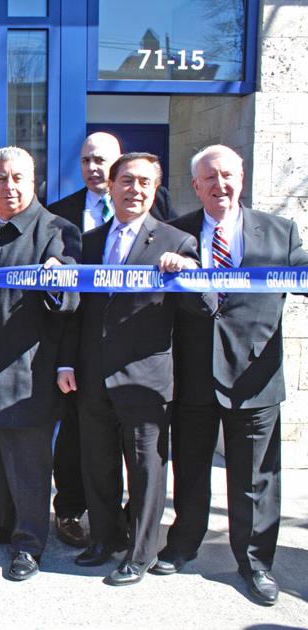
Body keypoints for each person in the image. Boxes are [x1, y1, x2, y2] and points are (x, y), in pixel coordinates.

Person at [155, 145, 308, 606]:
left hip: (254, 375)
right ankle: (183, 545)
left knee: (255, 477)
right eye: (209, 178)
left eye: (227, 175)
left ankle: (256, 562)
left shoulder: (280, 231)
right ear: (195, 186)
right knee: (190, 469)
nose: (219, 185)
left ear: (241, 178)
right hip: (193, 373)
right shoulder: (175, 233)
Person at [56, 152, 216, 587]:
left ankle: (139, 554)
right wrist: (67, 362)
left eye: (145, 182)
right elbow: (76, 311)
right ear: (110, 187)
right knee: (98, 467)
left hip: (145, 380)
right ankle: (104, 540)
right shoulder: (88, 242)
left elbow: (205, 307)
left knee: (146, 472)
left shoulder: (177, 241)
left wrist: (189, 273)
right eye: (127, 181)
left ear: (155, 190)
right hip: (92, 377)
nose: (135, 190)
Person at [0, 147, 81, 581]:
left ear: (33, 182)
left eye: (17, 178)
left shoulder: (57, 230)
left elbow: (70, 300)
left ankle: (28, 542)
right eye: (0, 179)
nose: (9, 187)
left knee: (27, 465)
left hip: (26, 369)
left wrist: (56, 280)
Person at [46, 132, 174, 547]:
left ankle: (135, 539)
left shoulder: (163, 218)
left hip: (140, 366)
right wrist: (67, 359)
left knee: (141, 459)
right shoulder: (67, 219)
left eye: (101, 160)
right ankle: (79, 519)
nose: (93, 168)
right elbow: (73, 301)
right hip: (88, 361)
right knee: (84, 452)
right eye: (86, 160)